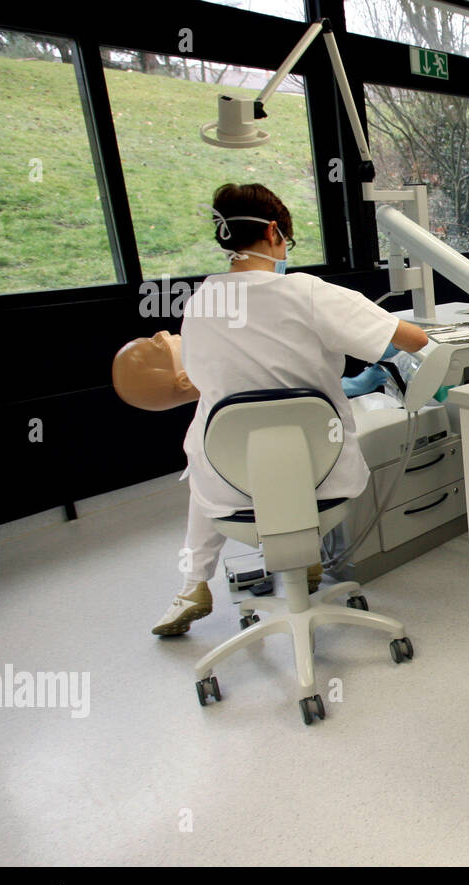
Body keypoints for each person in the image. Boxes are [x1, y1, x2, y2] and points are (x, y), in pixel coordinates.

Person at [152, 182, 429, 637]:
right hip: (322, 482)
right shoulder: (308, 292)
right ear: (276, 232)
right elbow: (413, 340)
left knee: (216, 446)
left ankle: (193, 584)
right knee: (303, 437)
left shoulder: (201, 301)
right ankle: (306, 562)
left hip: (230, 489)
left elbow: (210, 382)